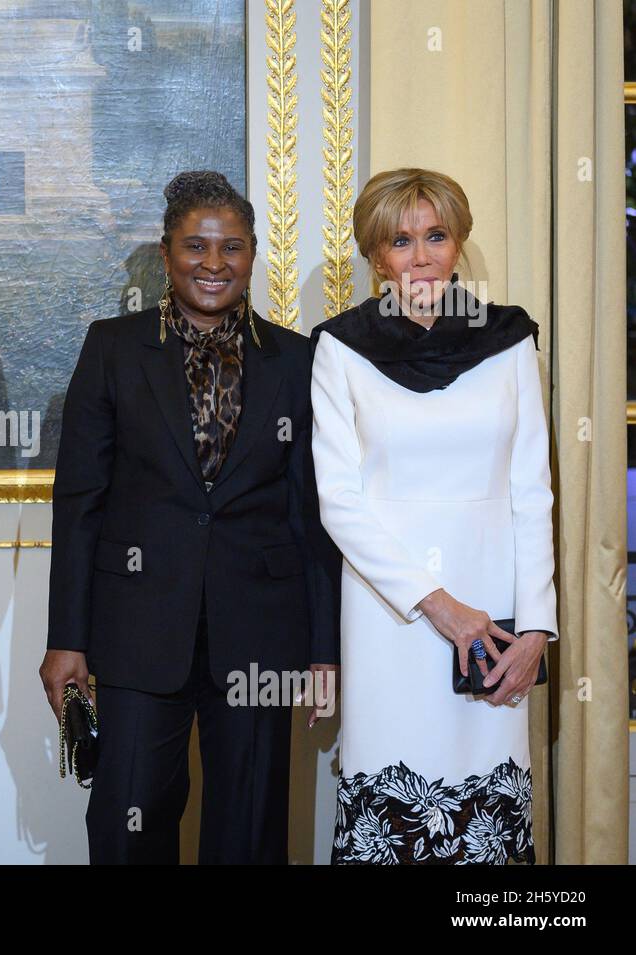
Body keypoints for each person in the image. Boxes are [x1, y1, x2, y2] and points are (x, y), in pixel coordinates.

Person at [41, 170, 341, 864]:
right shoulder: (113, 348)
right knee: (127, 823)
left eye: (232, 247)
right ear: (167, 250)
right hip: (138, 628)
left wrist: (324, 649)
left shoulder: (296, 359)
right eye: (196, 246)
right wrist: (67, 639)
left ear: (254, 252)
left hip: (262, 631)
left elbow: (312, 514)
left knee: (250, 825)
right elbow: (79, 502)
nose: (213, 263)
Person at [310, 167, 556, 864]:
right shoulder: (339, 349)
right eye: (400, 240)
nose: (420, 257)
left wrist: (536, 625)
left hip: (496, 623)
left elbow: (532, 489)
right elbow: (341, 504)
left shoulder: (509, 342)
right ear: (374, 255)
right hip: (393, 620)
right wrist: (438, 605)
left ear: (458, 243)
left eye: (436, 236)